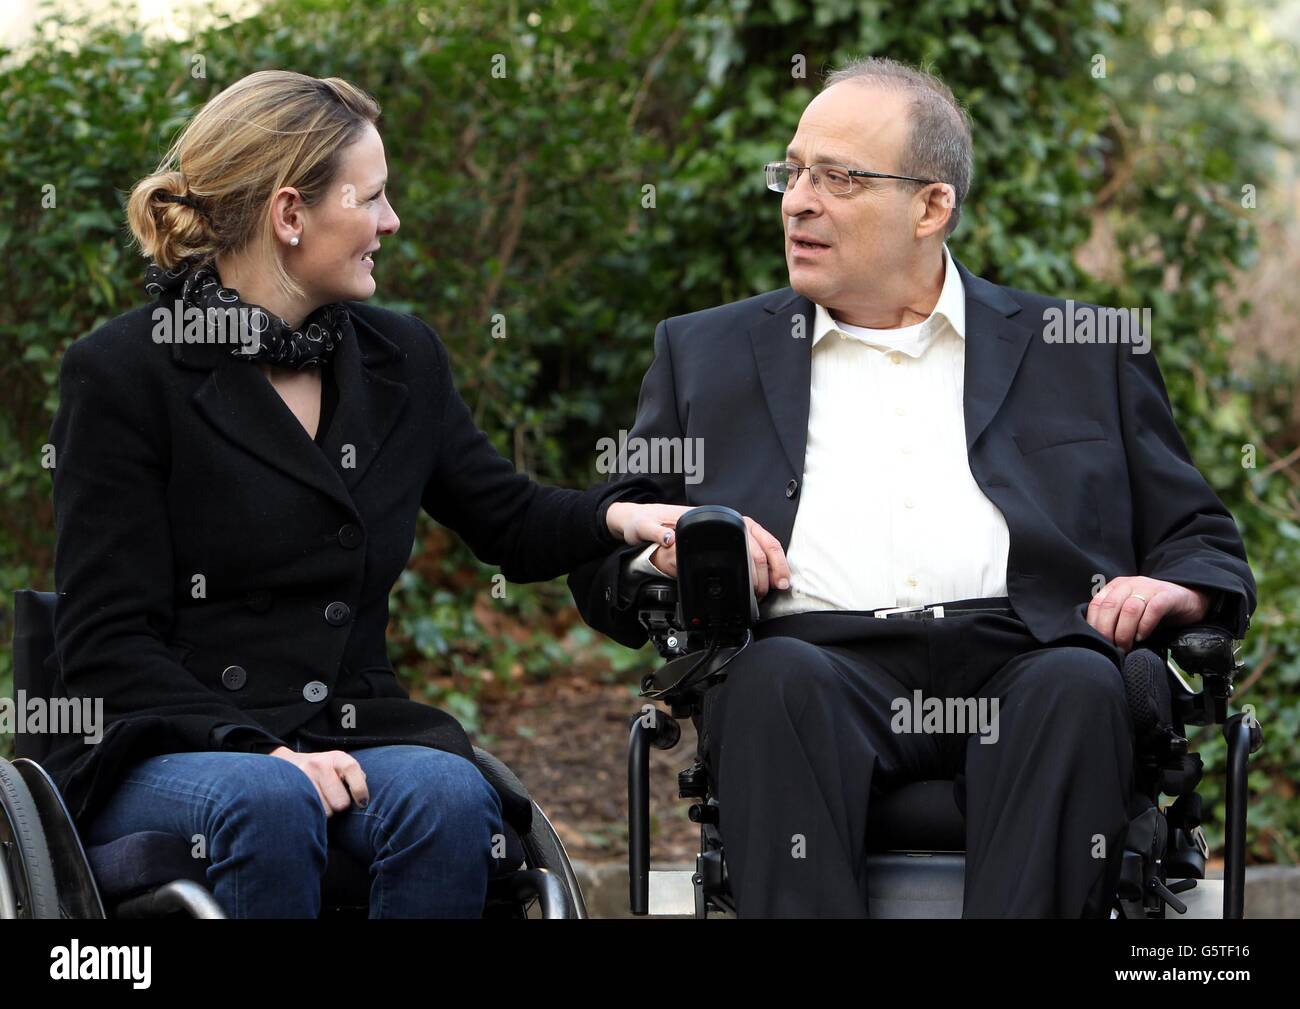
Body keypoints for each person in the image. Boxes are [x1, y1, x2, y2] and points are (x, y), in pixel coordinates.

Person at [568, 56, 1257, 917]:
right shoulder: (703, 354)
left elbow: (1199, 532)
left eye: (840, 177)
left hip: (1026, 658)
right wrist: (670, 559)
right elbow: (604, 553)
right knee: (770, 682)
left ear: (933, 206)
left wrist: (1180, 584)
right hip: (814, 663)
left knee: (1079, 687)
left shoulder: (1081, 346)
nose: (797, 200)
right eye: (793, 171)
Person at [44, 69, 683, 918]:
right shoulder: (125, 373)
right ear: (290, 214)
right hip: (167, 741)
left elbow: (508, 517)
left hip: (350, 725)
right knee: (269, 800)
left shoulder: (400, 360)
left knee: (449, 795)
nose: (389, 222)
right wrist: (260, 750)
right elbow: (105, 642)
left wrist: (619, 514)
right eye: (372, 198)